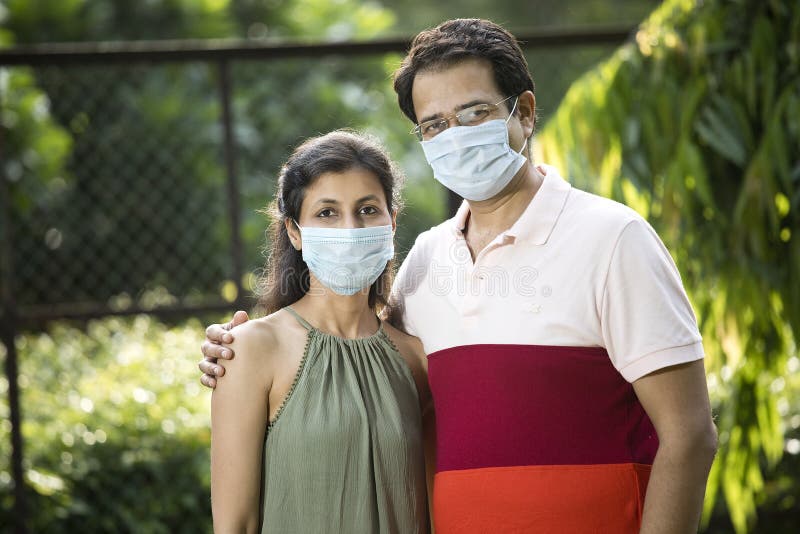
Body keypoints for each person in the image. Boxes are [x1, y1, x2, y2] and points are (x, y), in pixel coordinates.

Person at [201, 19, 718, 534]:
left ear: (526, 113)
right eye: (434, 125)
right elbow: (349, 345)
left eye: (476, 113)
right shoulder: (426, 259)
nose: (457, 137)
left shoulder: (614, 238)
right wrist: (235, 350)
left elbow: (690, 433)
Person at [209, 130, 431, 533]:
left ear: (392, 222)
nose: (349, 228)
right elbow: (235, 525)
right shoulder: (250, 349)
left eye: (367, 210)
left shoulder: (416, 357)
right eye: (327, 212)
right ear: (294, 231)